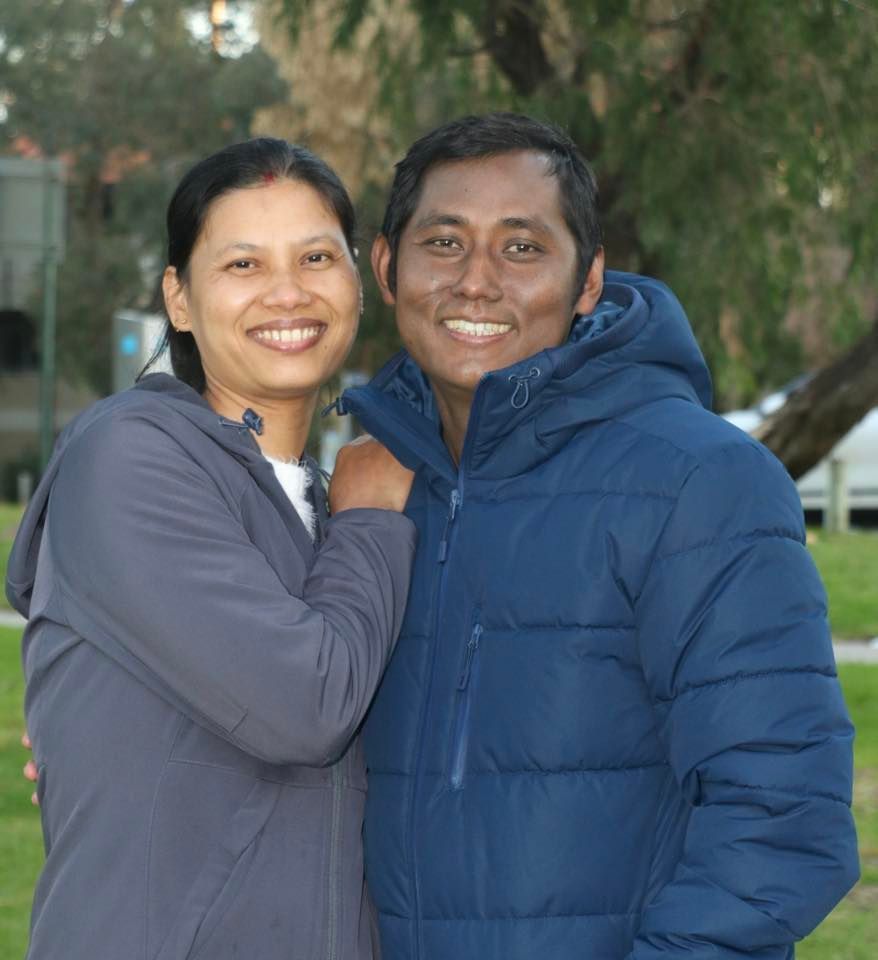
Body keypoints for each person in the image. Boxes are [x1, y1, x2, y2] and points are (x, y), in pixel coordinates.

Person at [330, 113, 860, 960]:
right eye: (444, 242)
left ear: (589, 280)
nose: (476, 282)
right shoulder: (368, 494)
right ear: (388, 268)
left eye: (522, 247)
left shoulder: (697, 483)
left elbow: (784, 819)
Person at [6, 138, 416, 960]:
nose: (287, 291)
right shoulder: (129, 459)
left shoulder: (324, 501)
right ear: (180, 299)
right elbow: (309, 706)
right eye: (242, 264)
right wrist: (372, 518)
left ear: (359, 280)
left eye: (315, 257)